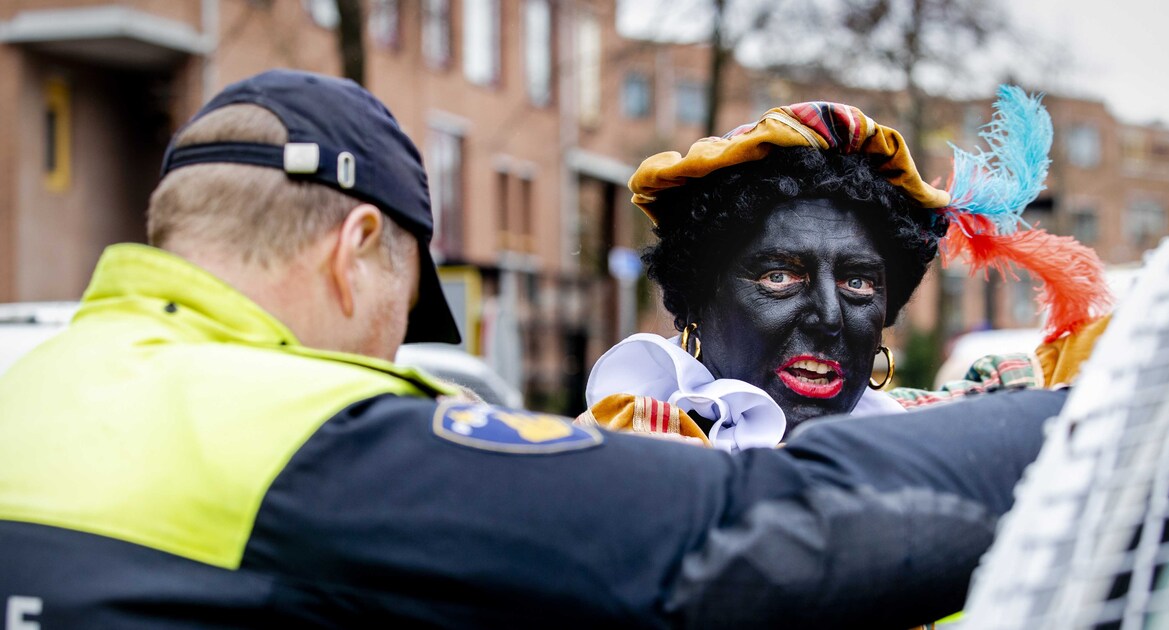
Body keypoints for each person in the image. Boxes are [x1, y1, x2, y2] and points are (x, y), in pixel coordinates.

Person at [0, 69, 1065, 628]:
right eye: (409, 303)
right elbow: (732, 543)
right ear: (357, 248)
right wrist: (1103, 412)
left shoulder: (32, 390)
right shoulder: (305, 439)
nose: (392, 346)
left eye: (861, 284)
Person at [581, 88, 1111, 451]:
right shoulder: (618, 455)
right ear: (698, 296)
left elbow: (1070, 374)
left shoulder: (913, 436)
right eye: (779, 276)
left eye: (858, 282)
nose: (830, 317)